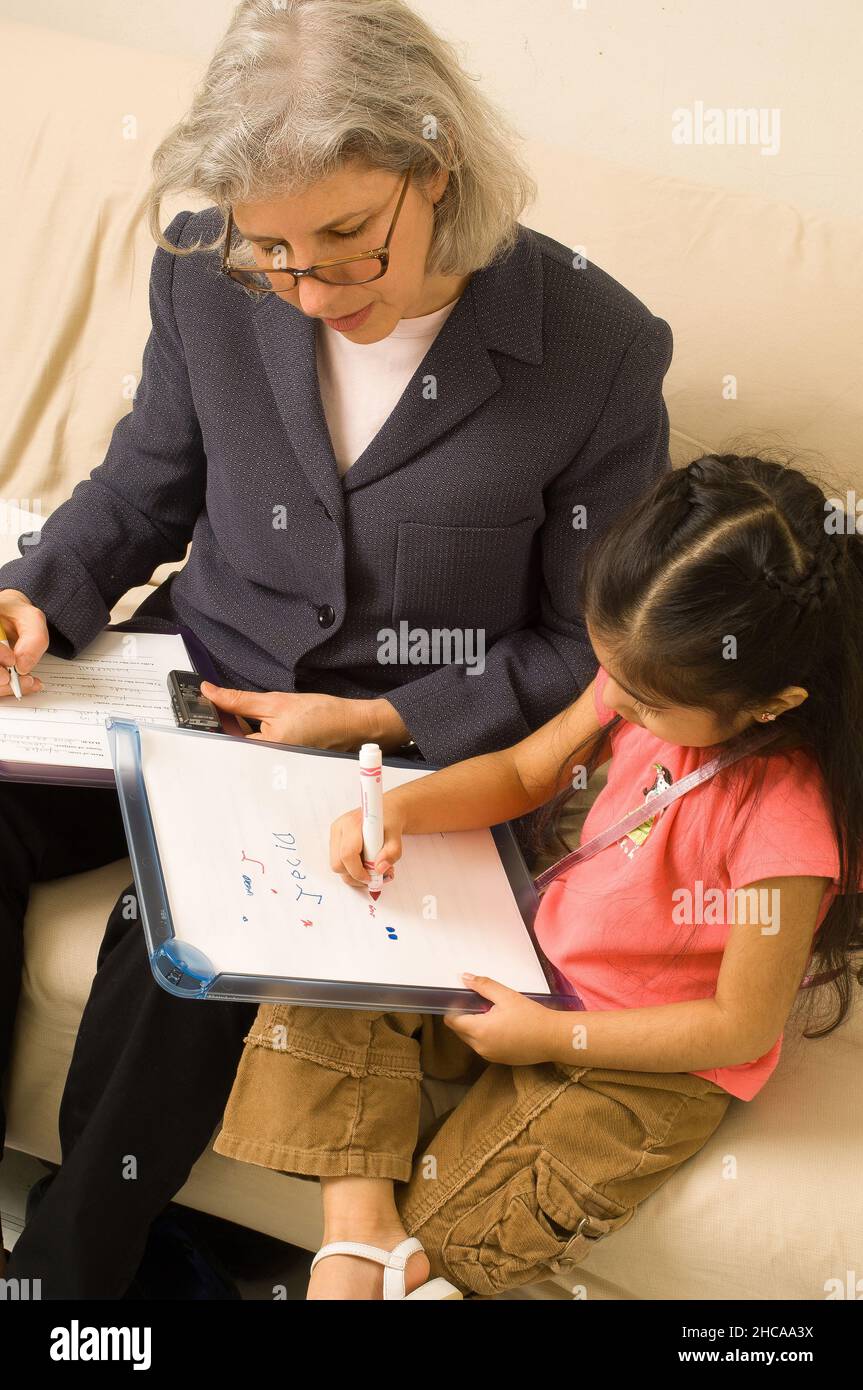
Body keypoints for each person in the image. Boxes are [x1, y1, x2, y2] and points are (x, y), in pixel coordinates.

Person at [1, 0, 671, 1293]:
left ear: (435, 167)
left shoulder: (595, 348)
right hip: (197, 677)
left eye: (347, 243)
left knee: (173, 942)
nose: (308, 290)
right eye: (274, 254)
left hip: (396, 760)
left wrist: (373, 724)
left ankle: (66, 1291)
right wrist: (39, 590)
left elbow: (589, 652)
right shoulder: (202, 269)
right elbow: (145, 485)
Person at [212, 454, 863, 1300]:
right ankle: (360, 1231)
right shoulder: (642, 670)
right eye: (613, 679)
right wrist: (400, 812)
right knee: (321, 973)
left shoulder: (786, 818)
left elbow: (738, 1027)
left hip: (639, 1067)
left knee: (461, 1232)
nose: (615, 704)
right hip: (531, 974)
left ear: (771, 703)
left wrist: (553, 1041)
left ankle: (391, 1257)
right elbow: (525, 773)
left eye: (643, 703)